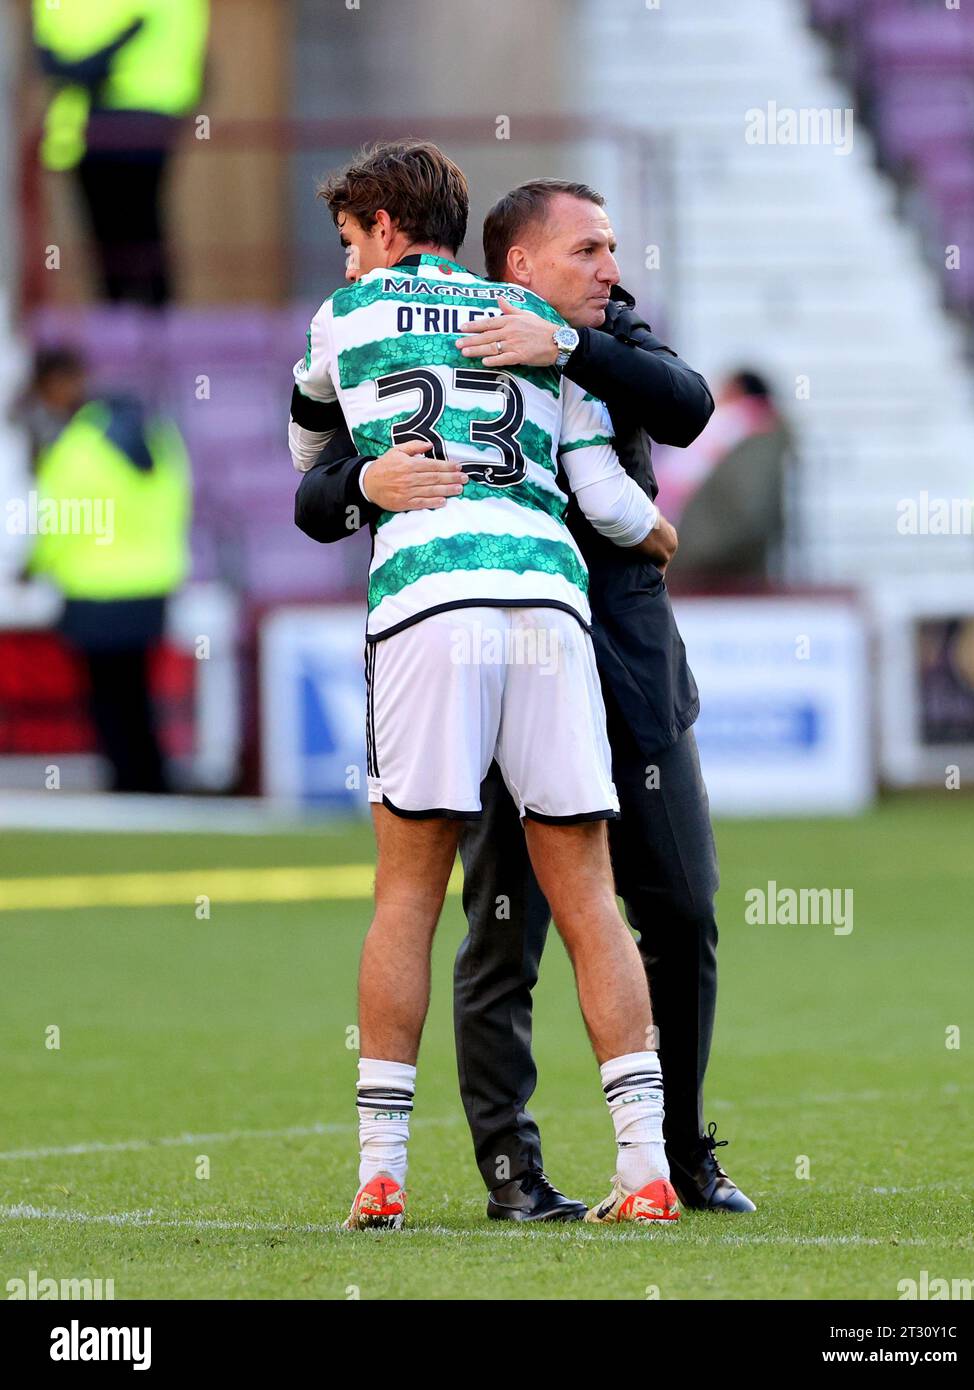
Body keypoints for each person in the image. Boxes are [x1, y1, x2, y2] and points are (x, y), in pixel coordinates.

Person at [295, 178, 756, 1218]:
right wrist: (653, 533)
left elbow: (684, 405)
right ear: (512, 261)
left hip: (503, 629)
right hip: (548, 613)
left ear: (377, 230)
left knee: (453, 899)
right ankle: (578, 1167)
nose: (610, 270)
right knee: (542, 910)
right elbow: (598, 492)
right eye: (588, 248)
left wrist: (563, 352)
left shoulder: (375, 317)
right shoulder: (516, 325)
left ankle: (402, 1167)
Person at [29, 379, 191, 792]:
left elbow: (57, 525)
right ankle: (152, 781)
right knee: (137, 694)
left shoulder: (76, 447)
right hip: (151, 589)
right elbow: (179, 504)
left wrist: (36, 567)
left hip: (91, 591)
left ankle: (126, 784)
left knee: (106, 699)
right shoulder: (160, 439)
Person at [32, 0, 209, 305]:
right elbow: (47, 37)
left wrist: (82, 65)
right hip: (83, 123)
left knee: (138, 221)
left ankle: (152, 317)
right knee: (108, 230)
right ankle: (123, 318)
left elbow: (151, 26)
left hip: (142, 114)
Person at [671, 369, 791, 587]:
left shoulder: (736, 427)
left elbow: (746, 511)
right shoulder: (764, 437)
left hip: (709, 564)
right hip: (730, 566)